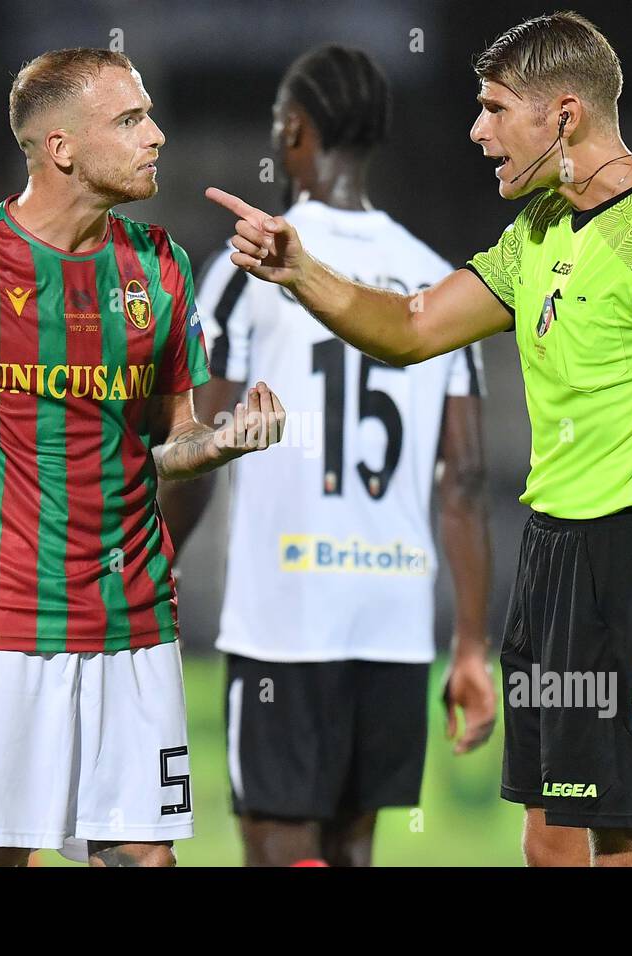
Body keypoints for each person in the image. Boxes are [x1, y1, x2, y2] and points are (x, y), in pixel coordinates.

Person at [207, 11, 632, 867]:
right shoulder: (537, 227)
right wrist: (300, 270)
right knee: (547, 842)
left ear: (564, 116)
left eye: (497, 109)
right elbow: (416, 325)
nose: (478, 130)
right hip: (551, 557)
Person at [0, 47, 286, 868]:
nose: (156, 135)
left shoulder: (158, 266)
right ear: (60, 148)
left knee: (143, 857)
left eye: (149, 116)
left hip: (135, 623)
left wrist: (224, 442)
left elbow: (174, 441)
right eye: (130, 121)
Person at [161, 45, 497, 867]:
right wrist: (470, 645)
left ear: (294, 130)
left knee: (280, 847)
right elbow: (467, 481)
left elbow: (201, 444)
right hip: (391, 620)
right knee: (351, 853)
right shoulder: (439, 278)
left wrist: (155, 557)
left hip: (285, 615)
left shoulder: (253, 263)